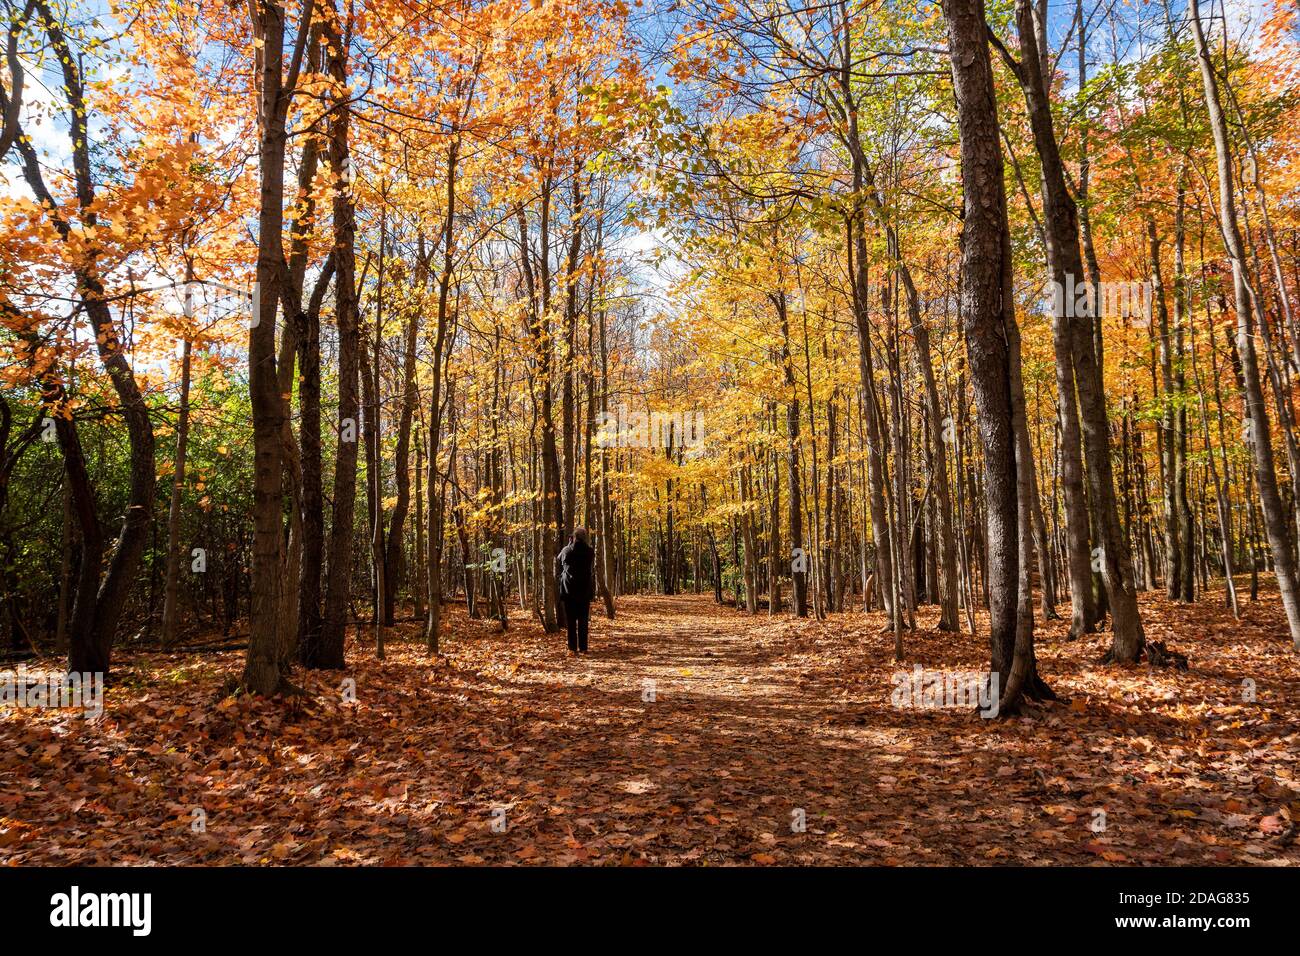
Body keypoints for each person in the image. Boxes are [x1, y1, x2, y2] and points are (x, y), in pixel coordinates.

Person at [555, 528, 595, 654]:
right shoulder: (589, 551)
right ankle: (583, 647)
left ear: (574, 537)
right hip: (584, 590)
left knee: (571, 620)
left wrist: (568, 544)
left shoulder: (567, 550)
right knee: (583, 620)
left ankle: (572, 648)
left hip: (569, 590)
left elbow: (559, 559)